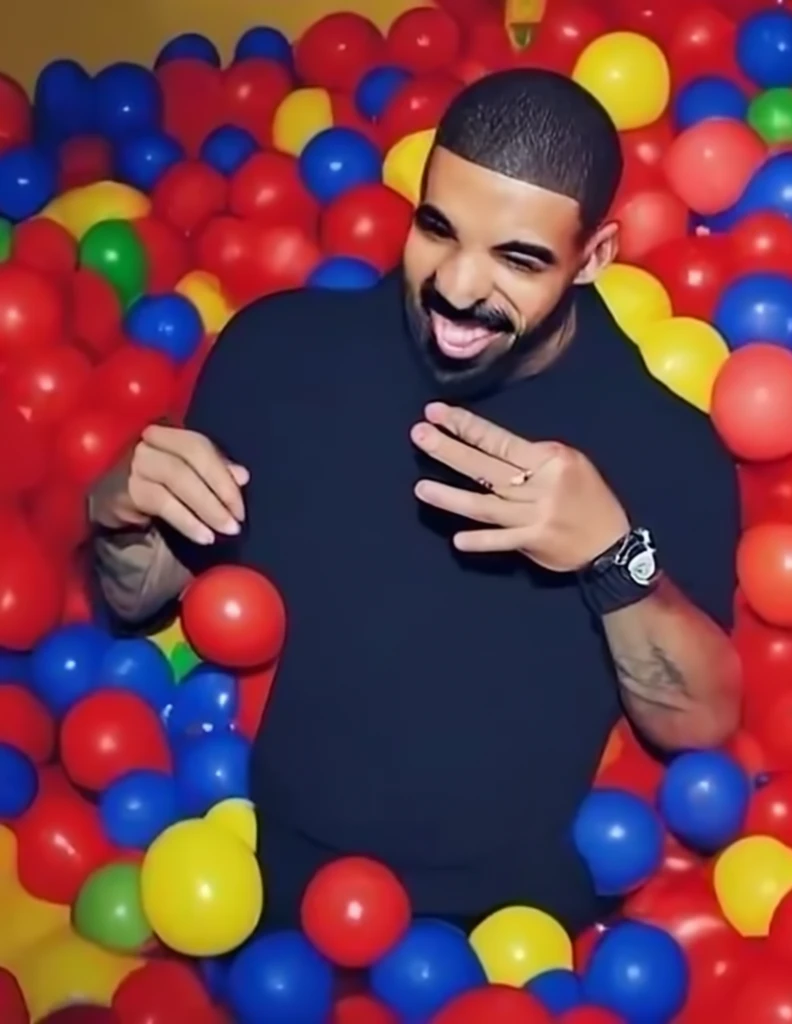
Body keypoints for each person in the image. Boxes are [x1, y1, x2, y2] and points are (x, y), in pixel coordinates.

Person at [90, 68, 742, 937]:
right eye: (438, 230)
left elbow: (698, 726)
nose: (460, 289)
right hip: (256, 901)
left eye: (518, 259)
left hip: (508, 942)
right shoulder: (277, 355)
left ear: (594, 258)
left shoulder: (665, 444)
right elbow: (139, 593)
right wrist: (117, 510)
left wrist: (611, 556)